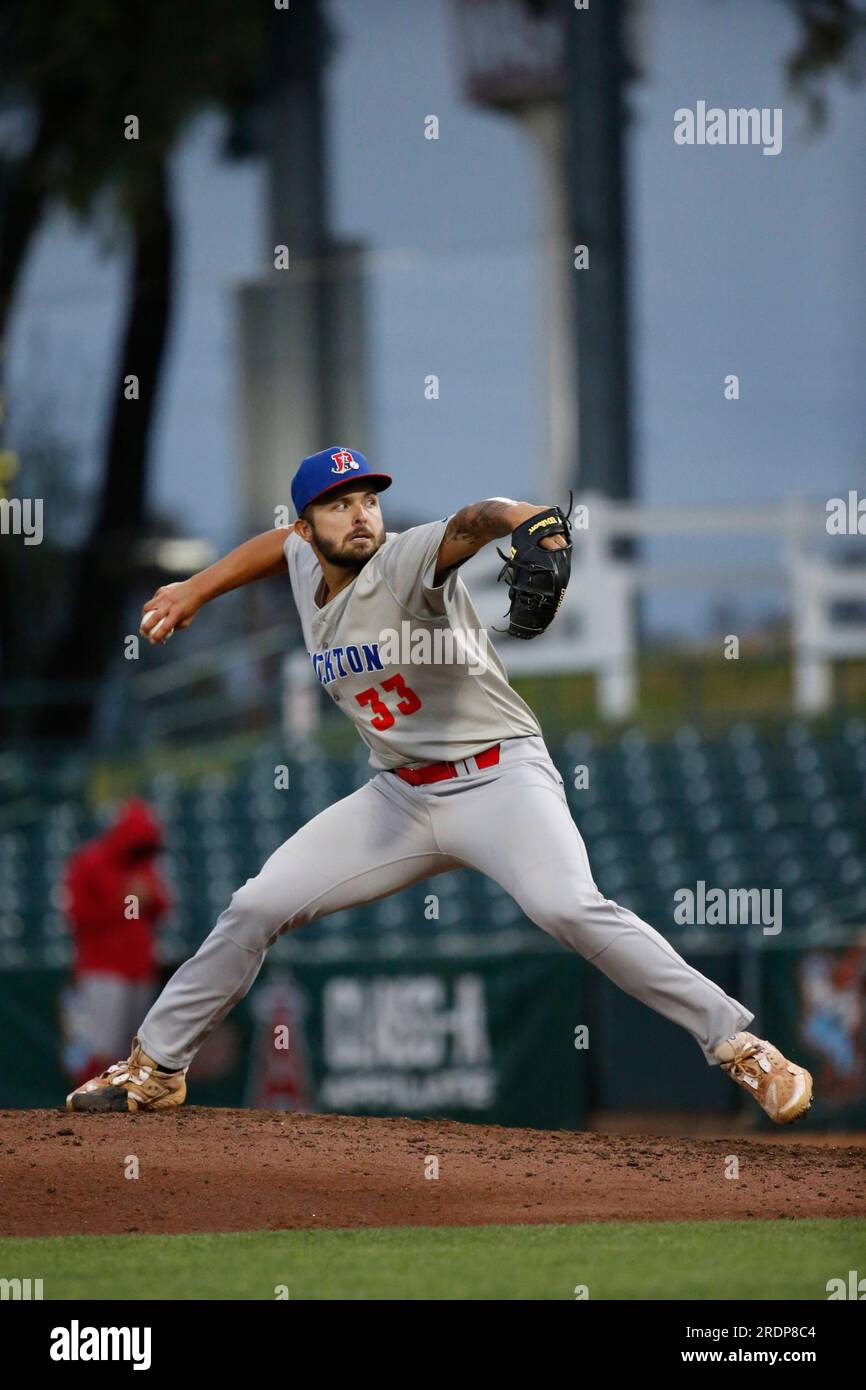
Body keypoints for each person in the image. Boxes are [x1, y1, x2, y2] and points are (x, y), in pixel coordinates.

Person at [67, 446, 813, 1123]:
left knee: (572, 909)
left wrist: (532, 524)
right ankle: (156, 1068)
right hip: (399, 796)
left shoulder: (402, 560)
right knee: (254, 904)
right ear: (307, 527)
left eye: (369, 500)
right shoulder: (304, 562)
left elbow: (475, 520)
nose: (362, 515)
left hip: (499, 780)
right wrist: (199, 587)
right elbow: (274, 550)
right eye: (339, 504)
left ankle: (741, 1047)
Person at [62, 798, 169, 1087]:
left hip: (140, 967)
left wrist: (148, 899)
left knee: (134, 1049)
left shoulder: (143, 866)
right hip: (102, 969)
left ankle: (125, 1112)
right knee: (100, 1046)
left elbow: (163, 907)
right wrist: (122, 903)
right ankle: (88, 1103)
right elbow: (77, 916)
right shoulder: (89, 862)